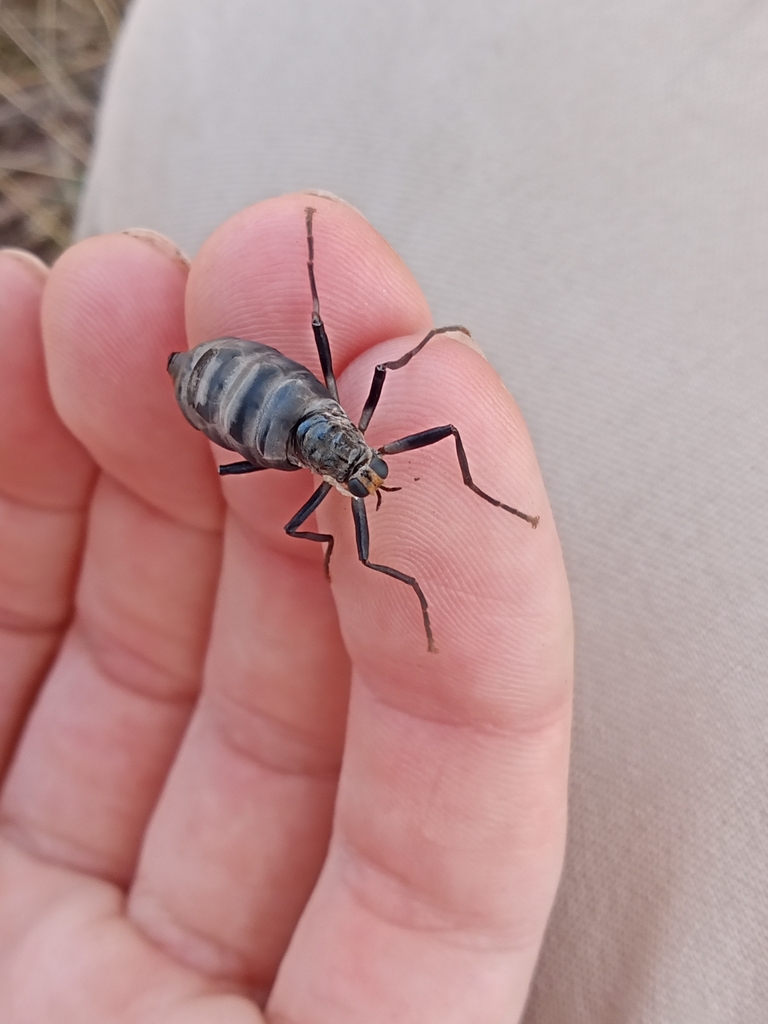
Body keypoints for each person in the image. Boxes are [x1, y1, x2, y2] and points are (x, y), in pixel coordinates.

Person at [1, 1, 765, 1021]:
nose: (374, 477)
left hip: (251, 409)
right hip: (248, 402)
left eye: (363, 473)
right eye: (368, 471)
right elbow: (357, 412)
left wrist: (404, 497)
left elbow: (396, 459)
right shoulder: (337, 449)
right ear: (362, 450)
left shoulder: (345, 466)